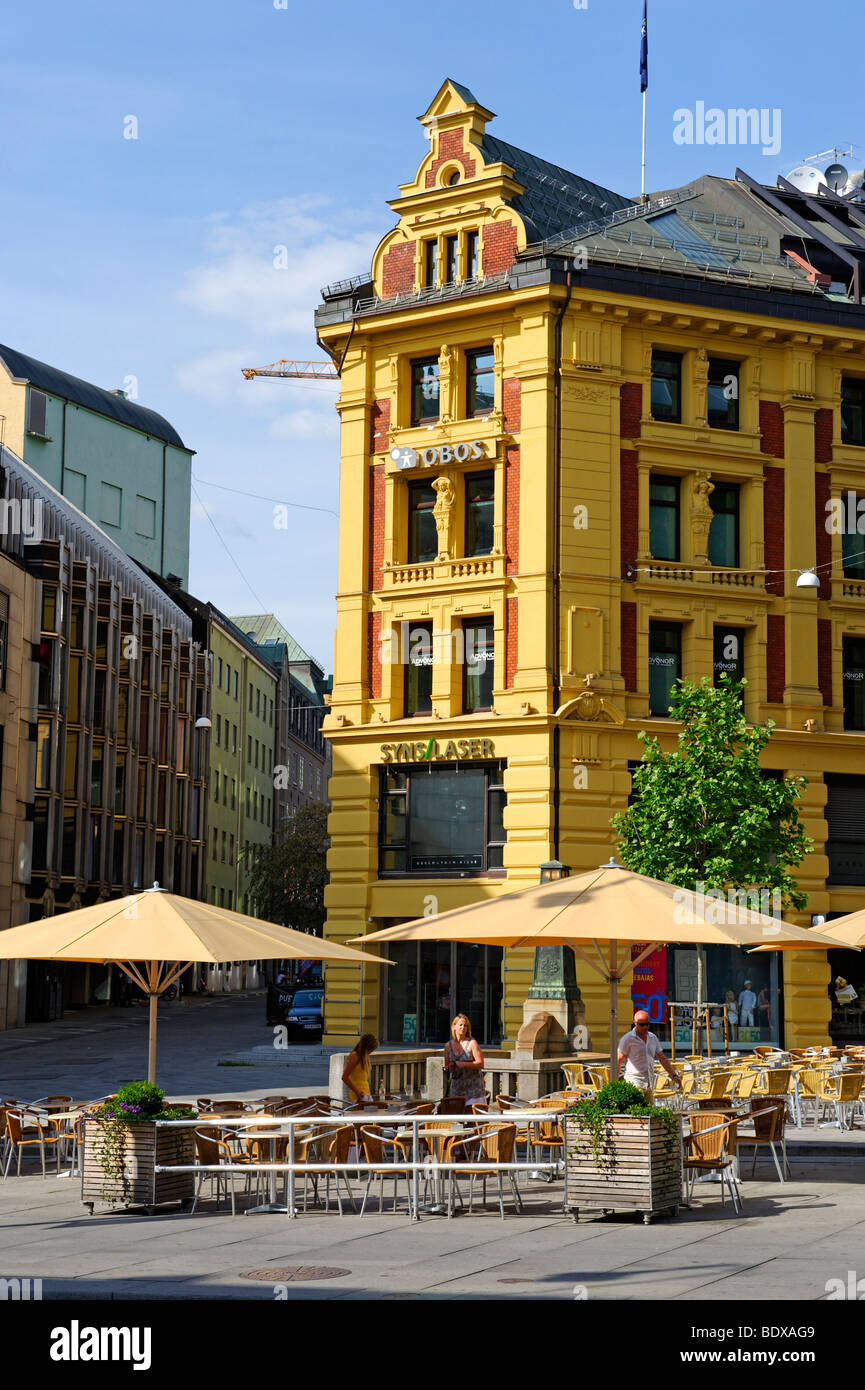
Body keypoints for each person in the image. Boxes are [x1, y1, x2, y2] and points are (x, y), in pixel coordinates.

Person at [617, 1010, 682, 1103]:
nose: (645, 1027)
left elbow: (662, 1058)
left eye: (647, 1024)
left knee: (650, 1113)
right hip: (634, 1081)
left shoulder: (652, 1038)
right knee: (638, 1112)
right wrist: (615, 1081)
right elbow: (618, 1059)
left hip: (649, 1082)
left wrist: (674, 1075)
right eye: (642, 1024)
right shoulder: (627, 1039)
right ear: (635, 1023)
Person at [444, 1014, 486, 1109]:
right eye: (461, 1025)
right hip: (457, 1089)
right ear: (454, 1027)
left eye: (465, 1025)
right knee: (456, 1119)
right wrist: (449, 1066)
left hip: (473, 1089)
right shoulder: (448, 1046)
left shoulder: (472, 1043)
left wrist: (461, 1064)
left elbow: (481, 1063)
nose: (463, 1027)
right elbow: (447, 1066)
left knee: (472, 1121)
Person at [342, 1034, 378, 1105]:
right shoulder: (355, 1057)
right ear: (366, 1047)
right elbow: (344, 1077)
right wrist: (357, 1092)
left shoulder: (362, 1057)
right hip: (359, 1094)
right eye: (371, 1050)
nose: (371, 1052)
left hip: (365, 1092)